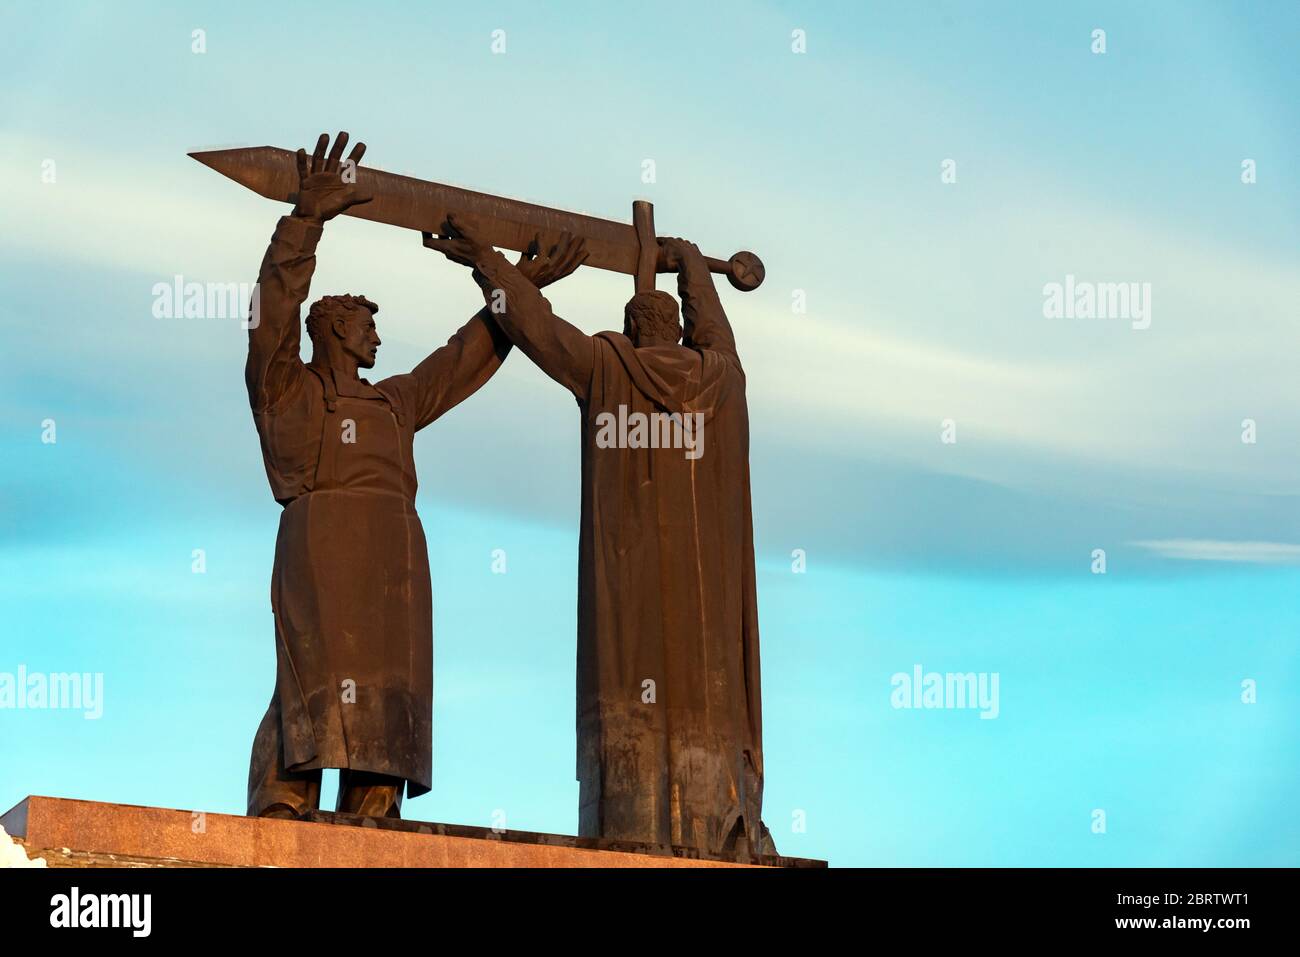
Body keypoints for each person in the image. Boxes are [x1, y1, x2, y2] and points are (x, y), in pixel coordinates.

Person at [244, 134, 584, 819]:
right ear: (334, 329)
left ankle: (373, 809)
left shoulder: (394, 401)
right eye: (367, 326)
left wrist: (518, 286)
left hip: (396, 554)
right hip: (325, 538)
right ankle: (283, 803)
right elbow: (270, 322)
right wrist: (305, 221)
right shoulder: (291, 391)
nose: (377, 338)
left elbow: (462, 357)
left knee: (387, 684)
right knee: (310, 671)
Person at [424, 215, 776, 858]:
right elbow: (718, 334)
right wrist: (695, 265)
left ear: (634, 327)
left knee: (630, 743)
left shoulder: (604, 370)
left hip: (630, 610)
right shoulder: (721, 381)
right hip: (709, 634)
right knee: (707, 721)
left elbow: (532, 326)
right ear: (677, 328)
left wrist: (489, 263)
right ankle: (729, 825)